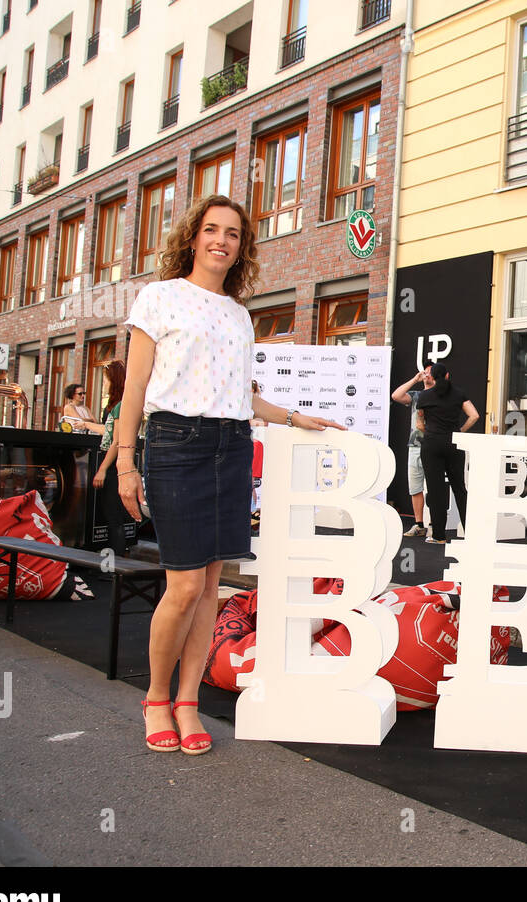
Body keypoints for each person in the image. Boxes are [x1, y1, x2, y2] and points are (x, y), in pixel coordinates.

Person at [116, 195, 342, 757]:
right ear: (193, 237)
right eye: (212, 230)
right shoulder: (159, 297)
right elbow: (135, 387)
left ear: (242, 247)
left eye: (233, 233)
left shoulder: (239, 314)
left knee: (211, 588)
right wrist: (125, 460)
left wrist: (292, 417)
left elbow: (240, 394)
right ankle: (155, 699)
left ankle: (188, 703)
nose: (221, 240)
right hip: (175, 443)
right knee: (184, 586)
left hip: (232, 446)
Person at [405, 363, 478, 544]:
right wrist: (460, 431)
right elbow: (474, 415)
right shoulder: (459, 394)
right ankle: (472, 533)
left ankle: (439, 536)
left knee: (436, 491)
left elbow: (419, 424)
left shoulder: (424, 396)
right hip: (454, 445)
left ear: (433, 377)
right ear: (447, 375)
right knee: (460, 488)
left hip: (431, 445)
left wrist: (431, 432)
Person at [92, 361, 130, 556]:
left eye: (106, 379)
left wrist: (102, 469)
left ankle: (116, 563)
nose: (104, 383)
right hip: (114, 463)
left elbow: (116, 441)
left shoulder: (120, 406)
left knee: (113, 517)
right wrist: (86, 425)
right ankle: (115, 561)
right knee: (113, 516)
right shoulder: (120, 405)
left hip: (113, 465)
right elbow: (110, 433)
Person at [391, 367, 431, 537]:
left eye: (431, 372)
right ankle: (419, 524)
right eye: (425, 372)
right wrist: (415, 379)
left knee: (434, 487)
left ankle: (434, 524)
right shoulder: (416, 395)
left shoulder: (442, 396)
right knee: (415, 487)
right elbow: (396, 396)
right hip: (415, 445)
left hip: (433, 445)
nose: (427, 375)